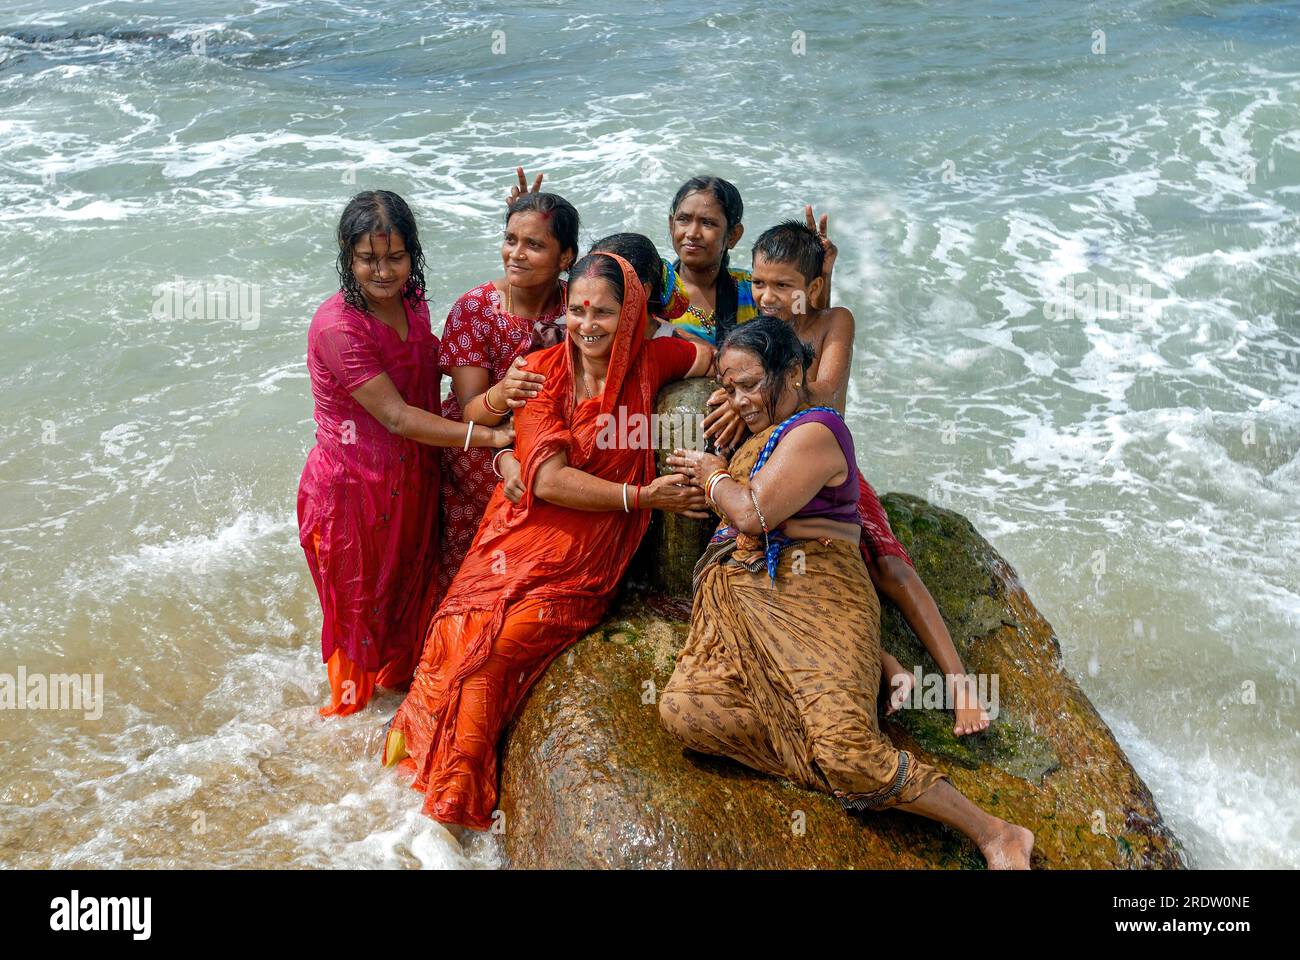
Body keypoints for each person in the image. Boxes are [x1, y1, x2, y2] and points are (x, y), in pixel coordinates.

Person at [662, 316, 1033, 868]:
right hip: (749, 595)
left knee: (849, 754)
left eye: (748, 385)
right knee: (684, 711)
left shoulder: (817, 431)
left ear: (792, 374)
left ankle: (995, 831)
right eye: (727, 386)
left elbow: (753, 512)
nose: (736, 400)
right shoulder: (756, 424)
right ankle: (836, 741)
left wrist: (715, 478)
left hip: (820, 593)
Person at [381, 252, 714, 834]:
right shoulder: (539, 371)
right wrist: (643, 498)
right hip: (516, 532)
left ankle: (449, 813)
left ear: (631, 315)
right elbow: (546, 479)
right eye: (579, 310)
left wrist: (736, 399)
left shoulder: (649, 364)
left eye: (605, 313)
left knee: (492, 654)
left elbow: (715, 352)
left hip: (581, 557)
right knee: (454, 629)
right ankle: (421, 767)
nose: (588, 325)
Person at [298, 191, 512, 719]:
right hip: (354, 491)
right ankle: (345, 730)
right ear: (348, 259)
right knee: (359, 608)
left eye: (395, 256)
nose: (384, 271)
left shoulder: (413, 301)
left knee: (407, 594)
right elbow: (394, 416)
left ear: (412, 255)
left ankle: (394, 711)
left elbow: (432, 359)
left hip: (414, 477)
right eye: (369, 259)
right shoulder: (338, 327)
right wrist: (487, 438)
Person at [435, 191, 578, 594]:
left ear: (565, 257)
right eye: (510, 239)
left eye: (534, 244)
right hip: (480, 453)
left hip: (545, 445)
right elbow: (471, 412)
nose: (516, 253)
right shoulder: (476, 310)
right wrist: (504, 392)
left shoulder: (578, 304)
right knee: (480, 581)